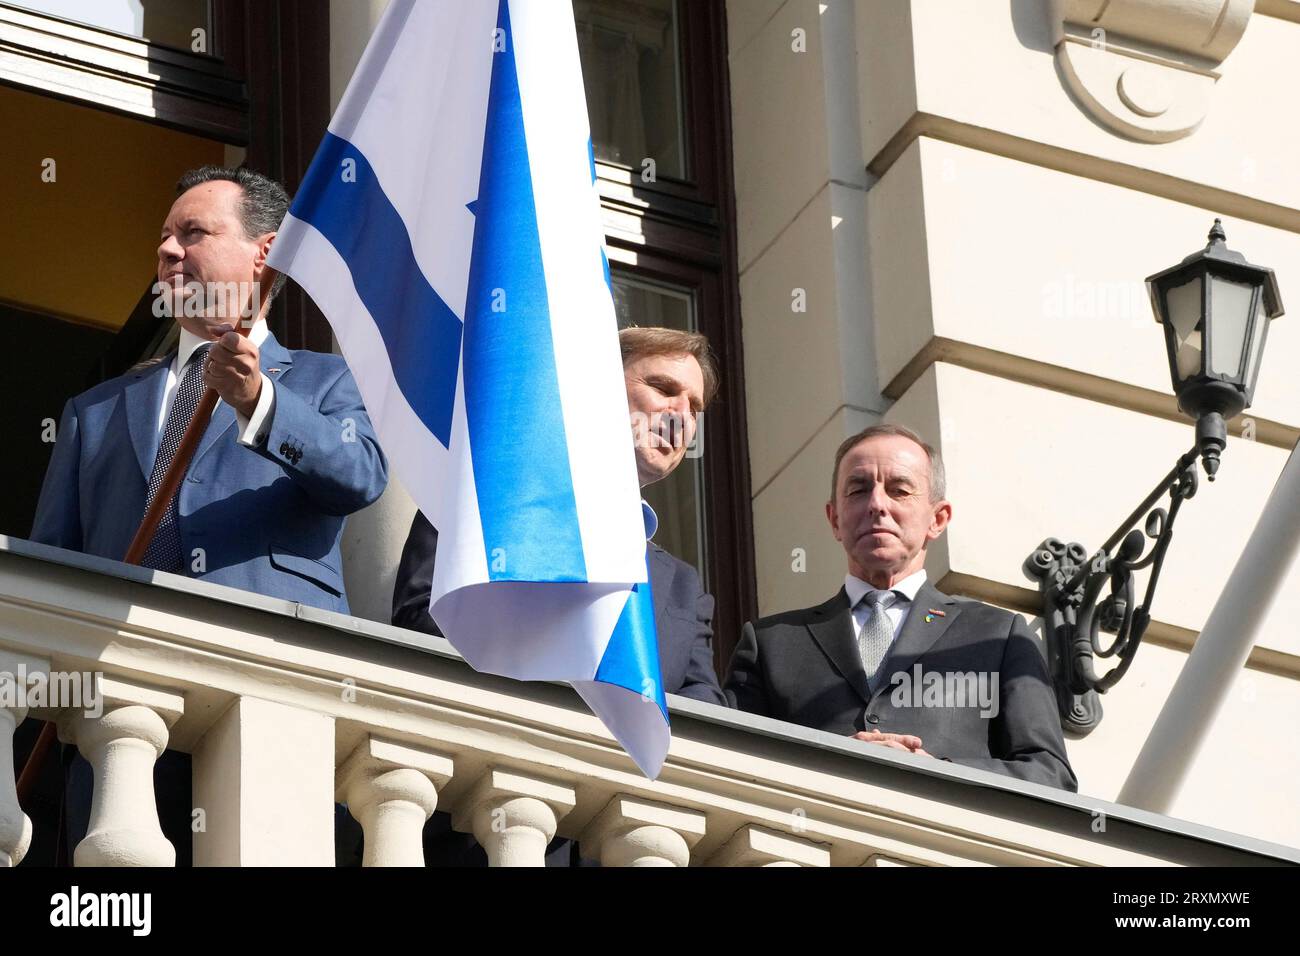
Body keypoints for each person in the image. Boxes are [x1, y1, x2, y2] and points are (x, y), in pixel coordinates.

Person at [29, 165, 389, 863]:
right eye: (163, 237)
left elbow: (359, 477)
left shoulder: (327, 382)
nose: (166, 251)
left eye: (193, 232)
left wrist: (261, 404)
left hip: (273, 710)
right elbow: (53, 574)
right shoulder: (93, 413)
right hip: (120, 731)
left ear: (266, 251)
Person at [379, 325, 727, 865]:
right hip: (482, 826)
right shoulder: (483, 498)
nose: (682, 415)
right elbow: (424, 627)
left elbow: (703, 718)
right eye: (662, 387)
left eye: (696, 405)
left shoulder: (683, 587)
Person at [725, 424, 1077, 791]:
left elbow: (1049, 778)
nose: (877, 504)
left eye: (899, 490)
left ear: (937, 519)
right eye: (859, 490)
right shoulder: (772, 644)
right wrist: (830, 764)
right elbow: (730, 763)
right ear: (835, 520)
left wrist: (936, 772)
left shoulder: (996, 636)